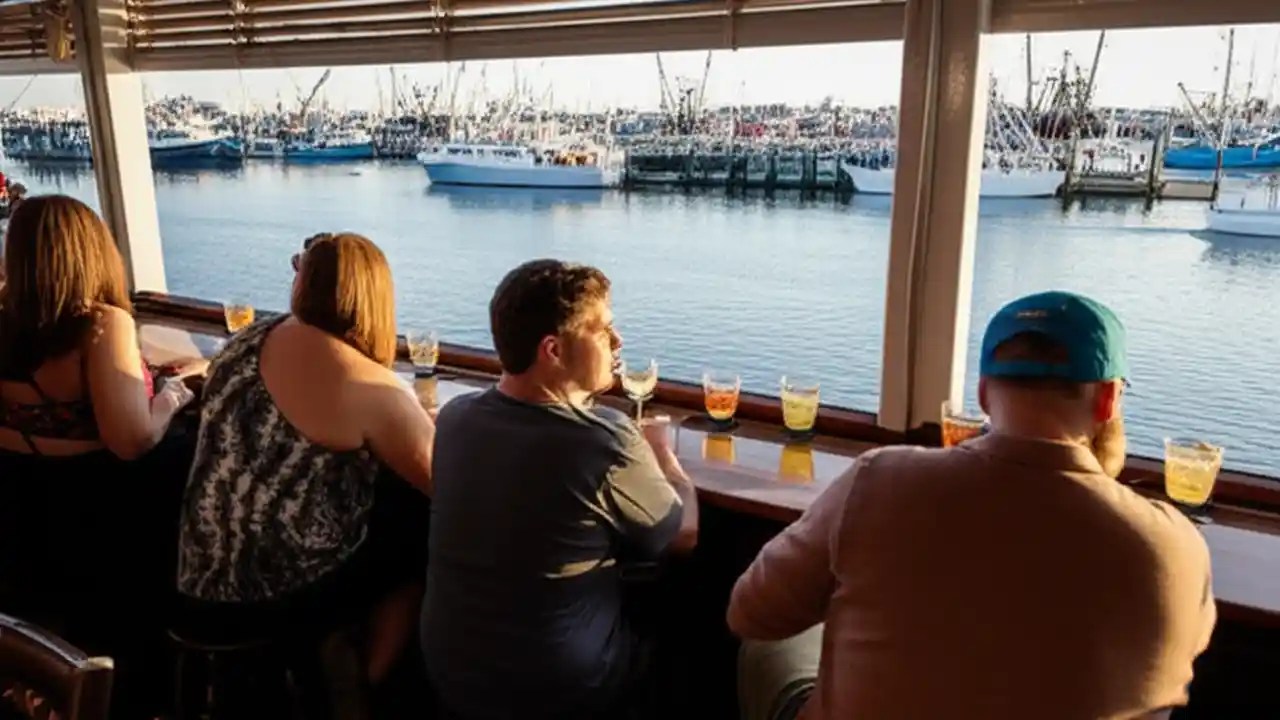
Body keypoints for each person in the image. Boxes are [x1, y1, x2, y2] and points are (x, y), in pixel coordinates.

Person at [729, 291, 1216, 720]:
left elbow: (750, 613)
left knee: (781, 644)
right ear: (1109, 400)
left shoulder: (880, 481)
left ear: (984, 394)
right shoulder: (1176, 546)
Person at [423, 259, 699, 720]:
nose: (618, 343)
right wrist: (668, 461)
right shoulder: (603, 440)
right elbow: (681, 535)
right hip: (557, 688)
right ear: (552, 349)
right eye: (603, 331)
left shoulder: (454, 418)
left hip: (451, 671)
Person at [176, 232, 435, 691]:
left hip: (196, 581)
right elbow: (445, 482)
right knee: (419, 527)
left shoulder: (251, 337)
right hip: (269, 602)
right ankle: (359, 686)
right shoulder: (369, 384)